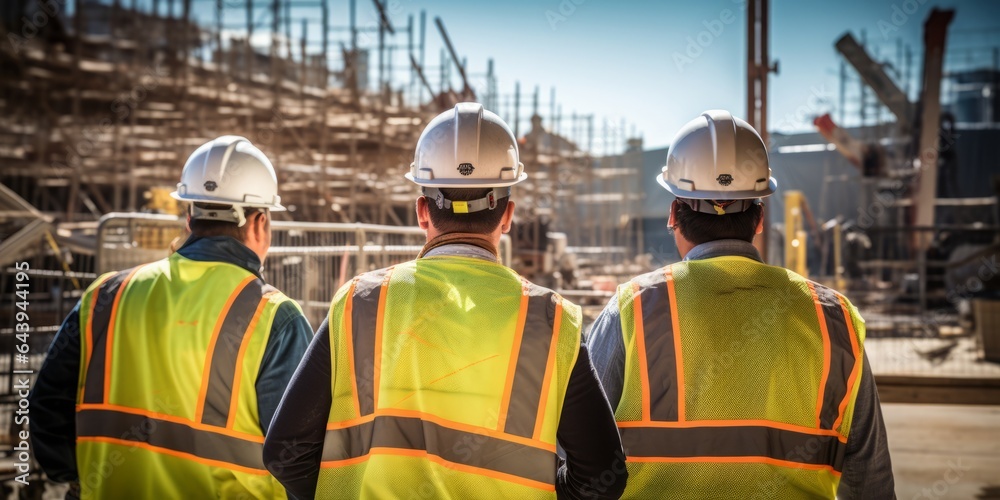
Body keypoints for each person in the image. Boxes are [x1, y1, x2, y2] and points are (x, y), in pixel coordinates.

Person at [263, 103, 627, 499]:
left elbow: (285, 453)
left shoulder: (358, 303)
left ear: (423, 212)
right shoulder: (552, 322)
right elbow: (602, 477)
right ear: (507, 215)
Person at [587, 111, 894, 499]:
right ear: (760, 218)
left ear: (674, 214)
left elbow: (578, 454)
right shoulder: (834, 318)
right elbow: (870, 479)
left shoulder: (632, 309)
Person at [30, 136, 312, 498]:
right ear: (260, 223)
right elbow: (299, 456)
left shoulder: (106, 295)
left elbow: (47, 410)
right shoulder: (275, 316)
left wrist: (82, 477)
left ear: (189, 217)